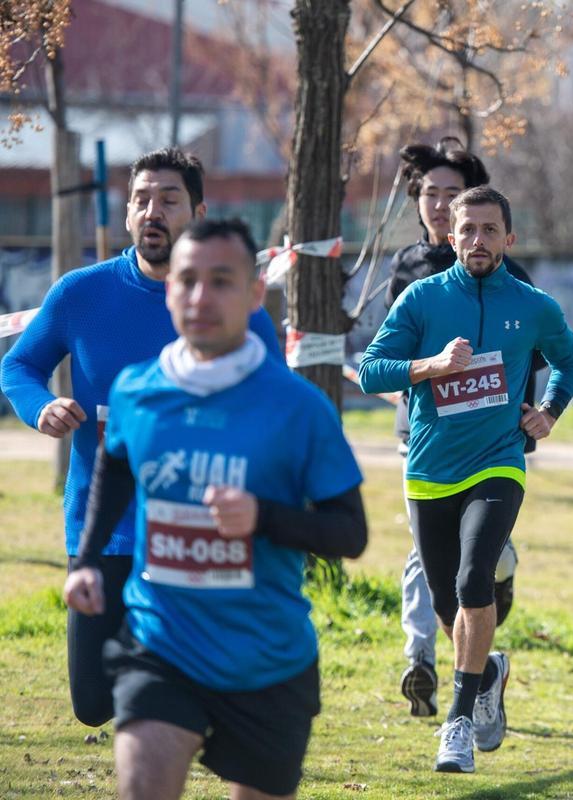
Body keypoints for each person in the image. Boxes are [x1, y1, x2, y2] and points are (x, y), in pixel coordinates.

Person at [62, 219, 366, 799]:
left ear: (255, 294)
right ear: (168, 289)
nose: (201, 298)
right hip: (160, 643)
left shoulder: (298, 408)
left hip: (268, 661)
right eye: (188, 281)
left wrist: (262, 518)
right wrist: (88, 559)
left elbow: (349, 533)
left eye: (222, 281)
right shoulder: (136, 389)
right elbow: (118, 467)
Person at [0, 148, 280, 728]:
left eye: (168, 200)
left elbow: (271, 399)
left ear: (197, 213)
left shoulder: (235, 302)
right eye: (141, 199)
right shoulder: (81, 293)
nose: (153, 211)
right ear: (127, 213)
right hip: (102, 525)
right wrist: (42, 405)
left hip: (196, 529)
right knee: (92, 704)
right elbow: (18, 366)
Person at [359, 186, 573, 773]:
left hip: (498, 461)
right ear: (450, 236)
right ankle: (486, 673)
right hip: (430, 468)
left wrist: (550, 410)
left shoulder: (533, 305)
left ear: (509, 238)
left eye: (490, 230)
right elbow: (368, 370)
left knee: (472, 578)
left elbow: (571, 359)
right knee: (445, 602)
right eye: (468, 230)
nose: (478, 241)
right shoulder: (421, 298)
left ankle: (456, 725)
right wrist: (430, 366)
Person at [384, 138, 537, 718]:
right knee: (426, 554)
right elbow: (389, 353)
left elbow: (540, 355)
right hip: (422, 434)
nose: (443, 203)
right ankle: (421, 656)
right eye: (433, 193)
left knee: (482, 559)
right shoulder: (408, 270)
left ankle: (492, 594)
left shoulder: (507, 273)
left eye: (454, 193)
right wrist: (420, 372)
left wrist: (533, 412)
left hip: (494, 440)